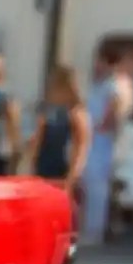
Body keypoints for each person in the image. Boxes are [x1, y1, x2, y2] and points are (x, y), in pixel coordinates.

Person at [82, 47, 133, 246]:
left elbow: (113, 108)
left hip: (101, 139)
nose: (96, 67)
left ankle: (94, 231)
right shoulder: (104, 84)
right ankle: (91, 228)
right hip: (96, 137)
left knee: (97, 187)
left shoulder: (113, 84)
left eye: (99, 62)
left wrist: (103, 126)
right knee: (92, 185)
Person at [26, 65, 90, 197]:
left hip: (62, 174)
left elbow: (81, 147)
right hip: (43, 171)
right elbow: (38, 141)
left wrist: (72, 178)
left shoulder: (76, 114)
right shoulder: (49, 113)